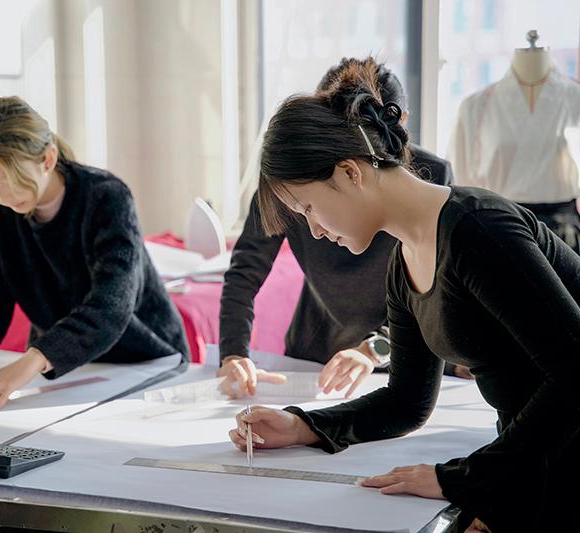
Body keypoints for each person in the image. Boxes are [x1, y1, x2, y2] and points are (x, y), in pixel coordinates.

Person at [226, 57, 580, 531]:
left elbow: (575, 376)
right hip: (537, 456)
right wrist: (305, 426)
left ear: (350, 173)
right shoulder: (404, 263)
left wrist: (466, 479)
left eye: (309, 207)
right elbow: (407, 401)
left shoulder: (479, 230)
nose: (313, 230)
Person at [0, 96, 189, 410]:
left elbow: (111, 306)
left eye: (10, 179)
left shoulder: (105, 197)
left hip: (148, 361)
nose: (1, 195)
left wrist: (32, 360)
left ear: (48, 159)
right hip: (62, 372)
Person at [218, 57, 464, 400]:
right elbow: (246, 268)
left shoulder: (437, 189)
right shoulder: (295, 178)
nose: (316, 230)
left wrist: (376, 348)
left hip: (399, 349)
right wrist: (233, 353)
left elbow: (431, 296)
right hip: (314, 352)